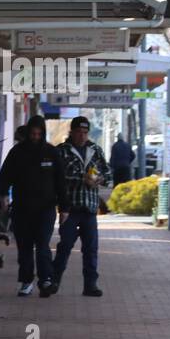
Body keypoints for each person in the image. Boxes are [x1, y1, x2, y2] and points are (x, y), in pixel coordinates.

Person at [0, 115, 64, 297]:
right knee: (25, 247)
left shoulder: (51, 152)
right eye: (33, 133)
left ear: (43, 133)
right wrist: (3, 195)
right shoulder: (17, 152)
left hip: (45, 208)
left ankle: (46, 279)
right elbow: (5, 175)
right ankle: (26, 281)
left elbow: (60, 181)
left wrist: (64, 208)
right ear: (28, 133)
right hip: (22, 208)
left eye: (38, 134)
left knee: (42, 245)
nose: (35, 137)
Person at [50, 116, 112, 298]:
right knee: (65, 246)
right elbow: (56, 177)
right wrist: (82, 178)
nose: (82, 136)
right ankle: (54, 280)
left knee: (91, 248)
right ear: (72, 132)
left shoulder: (95, 150)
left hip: (90, 208)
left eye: (85, 132)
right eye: (79, 132)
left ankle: (90, 285)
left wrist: (99, 179)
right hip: (70, 208)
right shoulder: (62, 151)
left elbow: (108, 174)